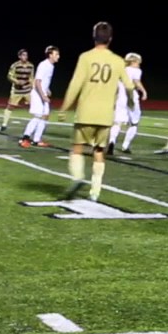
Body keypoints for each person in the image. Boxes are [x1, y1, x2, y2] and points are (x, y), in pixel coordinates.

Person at [57, 22, 134, 201]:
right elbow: (129, 86)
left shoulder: (85, 57)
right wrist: (131, 102)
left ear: (94, 37)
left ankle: (78, 178)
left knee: (77, 148)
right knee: (99, 152)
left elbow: (75, 84)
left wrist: (64, 108)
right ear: (110, 39)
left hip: (86, 112)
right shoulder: (118, 60)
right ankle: (95, 191)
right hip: (106, 115)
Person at [107, 52, 148, 155]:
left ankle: (112, 141)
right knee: (134, 123)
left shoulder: (121, 69)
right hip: (131, 97)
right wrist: (144, 91)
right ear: (133, 61)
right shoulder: (136, 70)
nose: (139, 64)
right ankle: (125, 146)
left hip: (120, 98)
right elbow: (136, 82)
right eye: (138, 62)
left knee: (117, 123)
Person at [20, 46, 58, 148]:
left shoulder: (51, 66)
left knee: (45, 115)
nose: (58, 56)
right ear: (50, 55)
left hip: (42, 93)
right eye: (56, 54)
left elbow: (44, 81)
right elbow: (37, 81)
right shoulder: (44, 65)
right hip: (37, 94)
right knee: (38, 116)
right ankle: (25, 138)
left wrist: (47, 89)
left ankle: (36, 140)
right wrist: (42, 96)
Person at [0, 49, 35, 133]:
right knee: (10, 106)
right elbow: (9, 76)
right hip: (17, 90)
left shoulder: (31, 65)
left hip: (27, 90)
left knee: (34, 106)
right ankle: (4, 124)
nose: (25, 57)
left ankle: (36, 124)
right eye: (23, 55)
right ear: (19, 56)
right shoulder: (15, 65)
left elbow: (31, 77)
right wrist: (17, 82)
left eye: (26, 55)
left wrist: (32, 86)